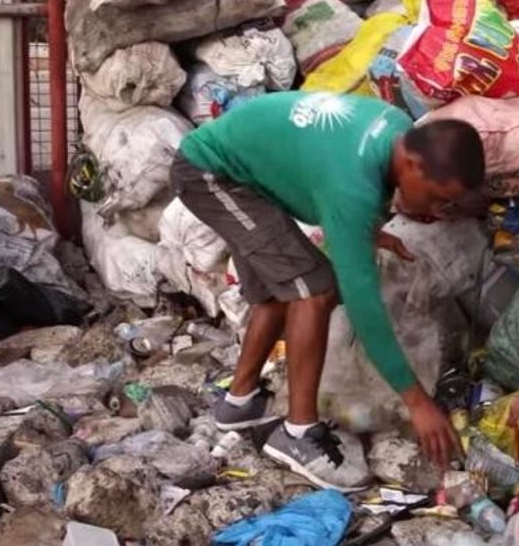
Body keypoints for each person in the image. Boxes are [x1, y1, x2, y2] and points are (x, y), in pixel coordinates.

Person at [172, 91, 485, 492]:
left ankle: (238, 403)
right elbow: (363, 305)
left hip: (247, 172)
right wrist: (416, 401)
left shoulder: (395, 129)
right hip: (212, 174)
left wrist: (365, 231)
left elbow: (327, 172)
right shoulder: (353, 185)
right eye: (439, 197)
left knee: (279, 290)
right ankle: (298, 433)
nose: (439, 210)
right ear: (413, 164)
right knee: (315, 292)